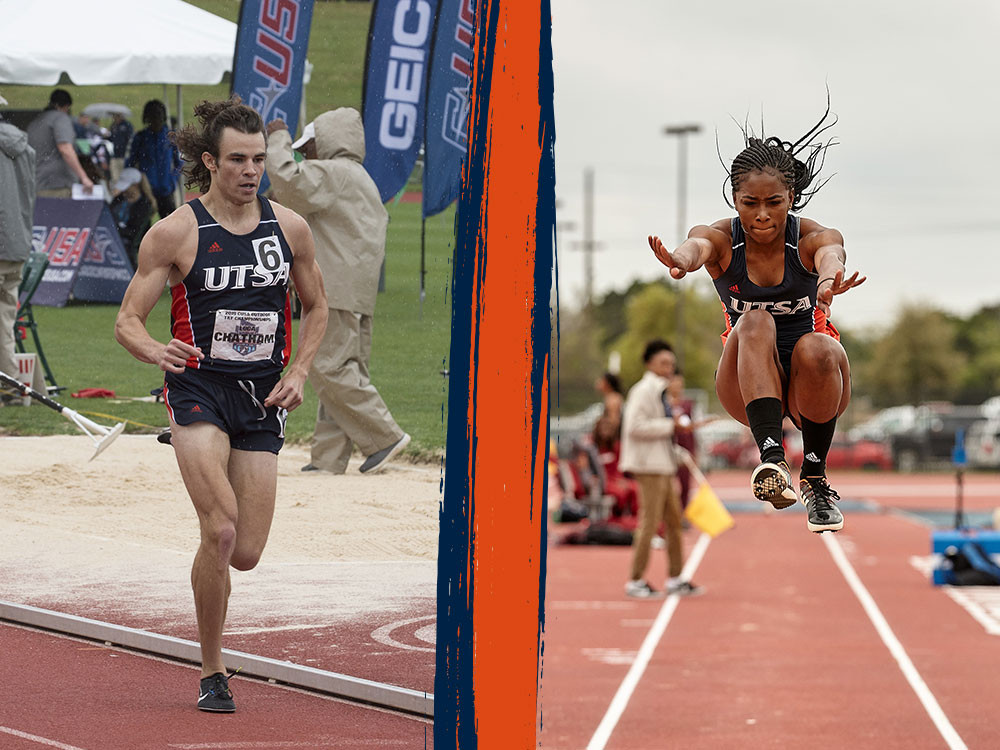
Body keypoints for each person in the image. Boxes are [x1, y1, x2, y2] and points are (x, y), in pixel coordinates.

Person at [114, 96, 328, 712]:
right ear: (210, 162)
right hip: (197, 389)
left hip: (261, 398)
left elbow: (318, 307)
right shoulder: (177, 232)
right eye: (237, 159)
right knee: (222, 528)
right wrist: (157, 351)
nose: (250, 170)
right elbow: (129, 320)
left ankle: (214, 566)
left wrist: (300, 368)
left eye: (259, 159)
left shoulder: (289, 229)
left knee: (247, 553)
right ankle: (213, 670)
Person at [648, 102, 865, 533]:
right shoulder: (721, 239)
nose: (761, 215)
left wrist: (827, 280)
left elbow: (831, 253)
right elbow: (697, 247)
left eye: (774, 203)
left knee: (820, 344)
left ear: (791, 200)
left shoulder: (810, 237)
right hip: (746, 381)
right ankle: (772, 461)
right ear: (735, 199)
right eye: (750, 203)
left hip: (811, 387)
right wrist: (680, 259)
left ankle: (816, 480)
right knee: (756, 321)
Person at [265, 110, 410, 474]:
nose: (306, 155)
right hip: (358, 292)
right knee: (344, 371)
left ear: (325, 142)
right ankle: (328, 458)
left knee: (328, 368)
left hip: (336, 288)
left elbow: (287, 179)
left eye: (308, 146)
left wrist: (279, 139)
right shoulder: (360, 178)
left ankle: (385, 436)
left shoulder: (335, 174)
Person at [619, 339, 701, 597]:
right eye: (663, 362)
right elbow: (635, 427)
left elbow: (661, 429)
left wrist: (676, 448)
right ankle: (635, 580)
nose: (669, 368)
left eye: (671, 364)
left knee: (674, 522)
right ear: (649, 363)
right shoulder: (643, 391)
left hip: (663, 465)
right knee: (650, 521)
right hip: (648, 466)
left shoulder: (661, 391)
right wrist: (670, 426)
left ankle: (676, 577)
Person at [0, 96, 36, 394]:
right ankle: (11, 382)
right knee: (4, 321)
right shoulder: (24, 148)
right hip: (16, 244)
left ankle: (10, 385)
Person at [26, 89, 93, 198]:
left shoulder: (35, 122)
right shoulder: (60, 118)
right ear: (66, 106)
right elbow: (65, 148)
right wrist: (84, 177)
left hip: (36, 183)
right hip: (57, 185)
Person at [126, 99, 182, 218]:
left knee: (172, 226)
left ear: (163, 117)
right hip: (146, 191)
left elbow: (179, 163)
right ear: (147, 118)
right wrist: (137, 182)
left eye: (158, 116)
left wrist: (172, 180)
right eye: (152, 116)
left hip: (165, 190)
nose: (156, 120)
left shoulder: (171, 137)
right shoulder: (140, 138)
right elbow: (130, 163)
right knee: (141, 229)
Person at [109, 167, 155, 268]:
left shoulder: (144, 205)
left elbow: (134, 233)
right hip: (113, 236)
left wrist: (116, 230)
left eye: (127, 186)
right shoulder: (119, 199)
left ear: (135, 185)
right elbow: (108, 214)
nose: (123, 189)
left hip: (127, 243)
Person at [594, 371, 624, 440]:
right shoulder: (610, 397)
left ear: (607, 383)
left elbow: (614, 421)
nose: (598, 383)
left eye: (601, 380)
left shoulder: (613, 399)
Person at [108, 111, 134, 184]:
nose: (114, 118)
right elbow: (112, 138)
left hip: (124, 154)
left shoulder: (127, 125)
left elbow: (130, 138)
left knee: (124, 177)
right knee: (115, 177)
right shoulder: (113, 126)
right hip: (115, 154)